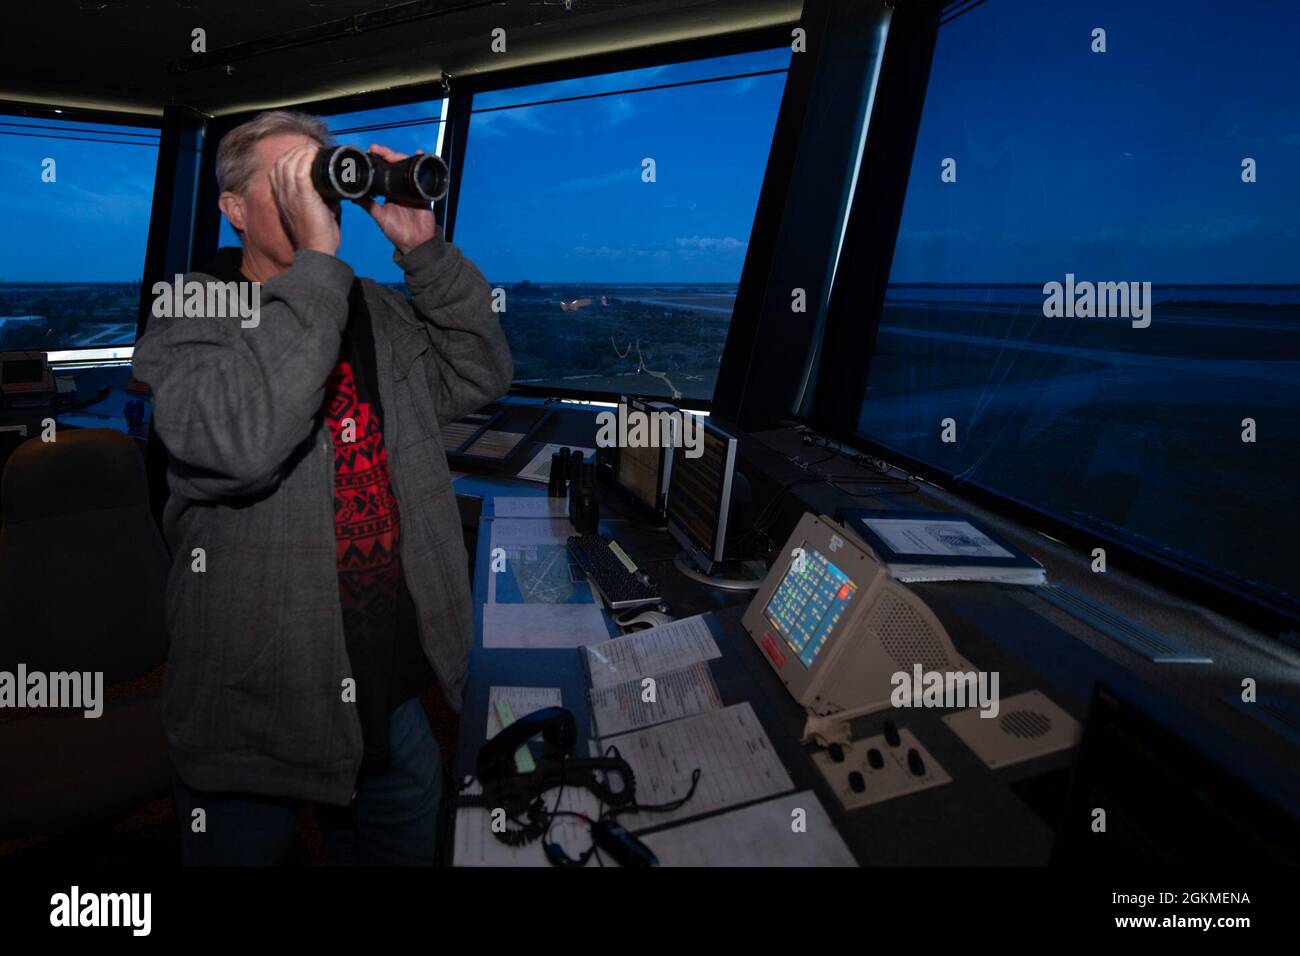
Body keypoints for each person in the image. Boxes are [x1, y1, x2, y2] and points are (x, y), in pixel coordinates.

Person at [133, 110, 512, 865]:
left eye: (322, 178)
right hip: (252, 697)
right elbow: (238, 443)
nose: (318, 200)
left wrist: (425, 251)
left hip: (389, 680)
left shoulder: (369, 308)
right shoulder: (190, 311)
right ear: (233, 208)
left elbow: (479, 375)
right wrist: (315, 272)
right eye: (290, 183)